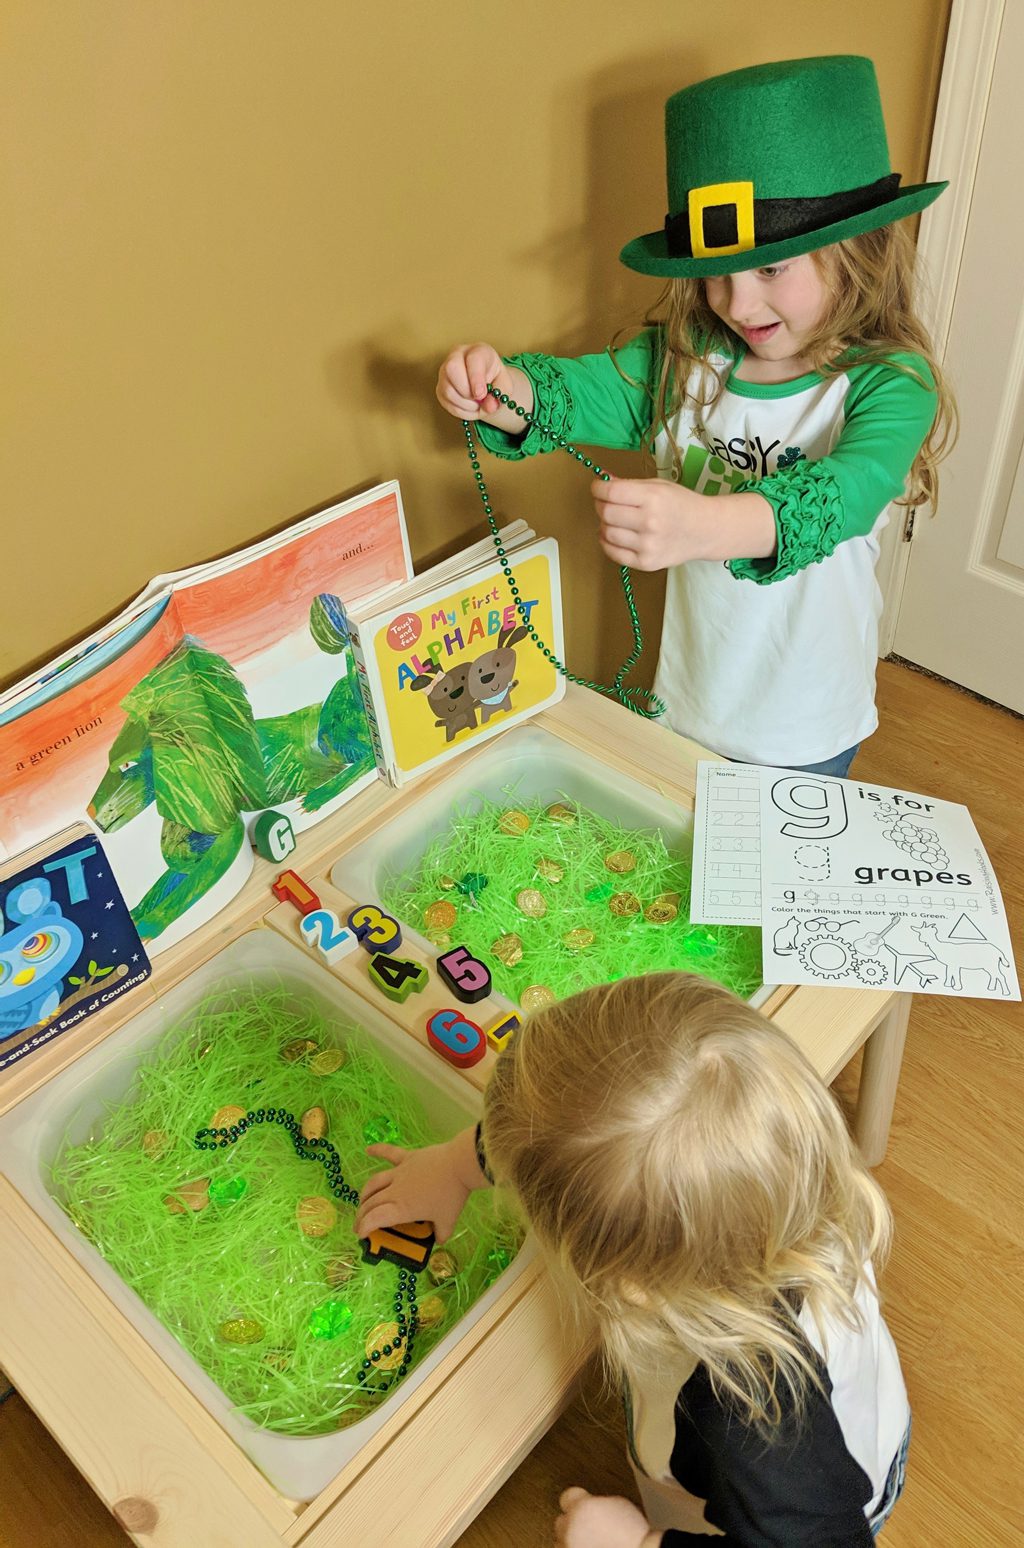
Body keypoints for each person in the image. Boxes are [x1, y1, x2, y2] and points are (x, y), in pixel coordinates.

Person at [435, 56, 956, 777]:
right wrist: (499, 387)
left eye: (771, 270)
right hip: (688, 707)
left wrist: (702, 526)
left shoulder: (890, 382)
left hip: (807, 727)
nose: (738, 304)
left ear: (858, 253)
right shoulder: (686, 361)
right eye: (715, 274)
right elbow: (578, 394)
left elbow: (845, 494)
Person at [355, 973, 911, 1545]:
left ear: (632, 1287)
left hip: (810, 1497)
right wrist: (452, 1165)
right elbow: (573, 1134)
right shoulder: (781, 1162)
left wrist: (640, 1543)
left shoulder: (752, 1416)